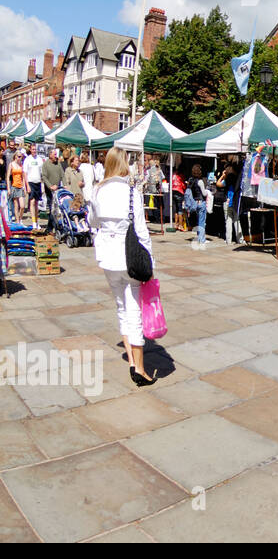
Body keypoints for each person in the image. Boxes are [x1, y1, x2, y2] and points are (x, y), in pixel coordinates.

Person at [87, 147, 156, 386]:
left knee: (120, 307)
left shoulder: (97, 190)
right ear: (124, 163)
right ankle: (140, 368)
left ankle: (131, 361)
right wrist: (150, 260)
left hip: (107, 256)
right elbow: (140, 229)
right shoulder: (130, 192)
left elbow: (92, 221)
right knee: (134, 310)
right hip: (129, 257)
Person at [185, 163, 210, 248]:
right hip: (201, 202)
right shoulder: (200, 181)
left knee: (199, 221)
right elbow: (204, 193)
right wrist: (208, 192)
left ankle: (200, 237)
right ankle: (201, 239)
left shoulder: (190, 180)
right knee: (202, 222)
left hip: (194, 203)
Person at [40, 149, 63, 232]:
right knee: (51, 208)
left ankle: (49, 228)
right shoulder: (45, 164)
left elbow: (62, 175)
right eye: (54, 154)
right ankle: (54, 227)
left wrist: (65, 184)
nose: (56, 156)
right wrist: (50, 186)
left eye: (56, 154)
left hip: (58, 189)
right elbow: (44, 177)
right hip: (49, 190)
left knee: (56, 209)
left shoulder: (58, 163)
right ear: (50, 155)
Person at [23, 147, 43, 229]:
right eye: (33, 149)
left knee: (36, 203)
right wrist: (27, 185)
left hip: (38, 182)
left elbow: (42, 172)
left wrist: (42, 185)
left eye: (35, 149)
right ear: (30, 150)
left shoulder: (39, 159)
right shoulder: (27, 159)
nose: (34, 151)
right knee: (32, 201)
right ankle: (33, 222)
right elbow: (25, 172)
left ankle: (36, 221)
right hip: (31, 182)